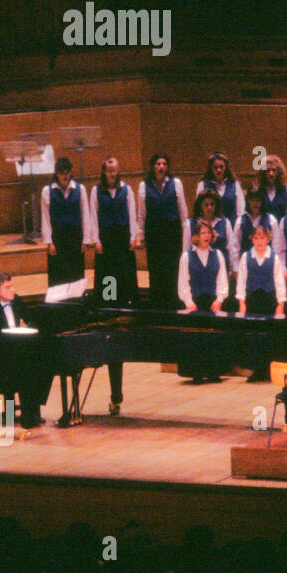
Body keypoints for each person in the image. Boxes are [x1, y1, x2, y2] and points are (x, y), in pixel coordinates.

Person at [88, 156, 136, 414]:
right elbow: (93, 215)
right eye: (108, 170)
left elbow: (132, 214)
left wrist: (134, 236)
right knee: (109, 279)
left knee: (125, 276)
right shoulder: (96, 191)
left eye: (115, 170)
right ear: (104, 172)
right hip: (106, 239)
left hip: (122, 238)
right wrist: (95, 239)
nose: (112, 173)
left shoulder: (127, 190)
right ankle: (109, 305)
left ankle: (126, 307)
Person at [0, 272, 50, 429]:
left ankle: (32, 411)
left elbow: (31, 318)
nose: (12, 290)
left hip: (15, 352)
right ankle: (28, 417)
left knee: (43, 366)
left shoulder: (16, 300)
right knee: (25, 369)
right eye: (8, 287)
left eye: (12, 286)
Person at [177, 220, 230, 384]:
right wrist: (188, 301)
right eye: (203, 233)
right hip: (195, 302)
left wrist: (220, 298)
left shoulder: (218, 254)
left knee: (213, 338)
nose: (207, 236)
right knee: (196, 338)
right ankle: (197, 373)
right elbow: (183, 281)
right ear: (196, 237)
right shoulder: (187, 256)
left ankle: (214, 372)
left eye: (209, 233)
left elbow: (222, 279)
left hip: (212, 302)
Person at [137, 153, 188, 310]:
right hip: (154, 234)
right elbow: (141, 213)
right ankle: (157, 303)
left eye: (164, 164)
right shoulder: (143, 186)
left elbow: (183, 211)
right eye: (158, 164)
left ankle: (174, 302)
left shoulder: (176, 183)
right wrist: (141, 236)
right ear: (153, 167)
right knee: (156, 269)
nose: (161, 167)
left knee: (173, 268)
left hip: (172, 234)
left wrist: (185, 234)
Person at [236, 223, 286, 383]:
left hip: (269, 300)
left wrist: (281, 303)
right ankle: (255, 370)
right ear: (252, 239)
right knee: (253, 335)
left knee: (268, 335)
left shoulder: (274, 257)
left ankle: (268, 369)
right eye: (256, 238)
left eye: (262, 238)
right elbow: (241, 280)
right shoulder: (246, 257)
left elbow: (279, 280)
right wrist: (241, 301)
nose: (259, 241)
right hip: (252, 300)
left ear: (268, 239)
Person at [40, 156, 91, 288]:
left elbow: (85, 215)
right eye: (62, 173)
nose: (66, 176)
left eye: (68, 173)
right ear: (57, 174)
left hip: (75, 238)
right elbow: (45, 218)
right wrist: (49, 242)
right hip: (58, 239)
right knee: (58, 277)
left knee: (76, 276)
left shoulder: (80, 189)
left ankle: (76, 305)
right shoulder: (47, 191)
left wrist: (85, 240)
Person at [198, 152, 244, 227]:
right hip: (209, 228)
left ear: (226, 167)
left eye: (221, 167)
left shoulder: (235, 184)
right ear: (211, 169)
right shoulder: (203, 185)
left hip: (232, 227)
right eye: (215, 167)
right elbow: (199, 209)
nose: (218, 170)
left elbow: (240, 211)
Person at [251, 153, 287, 221]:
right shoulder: (257, 191)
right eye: (268, 171)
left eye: (274, 170)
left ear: (279, 172)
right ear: (263, 173)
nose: (271, 174)